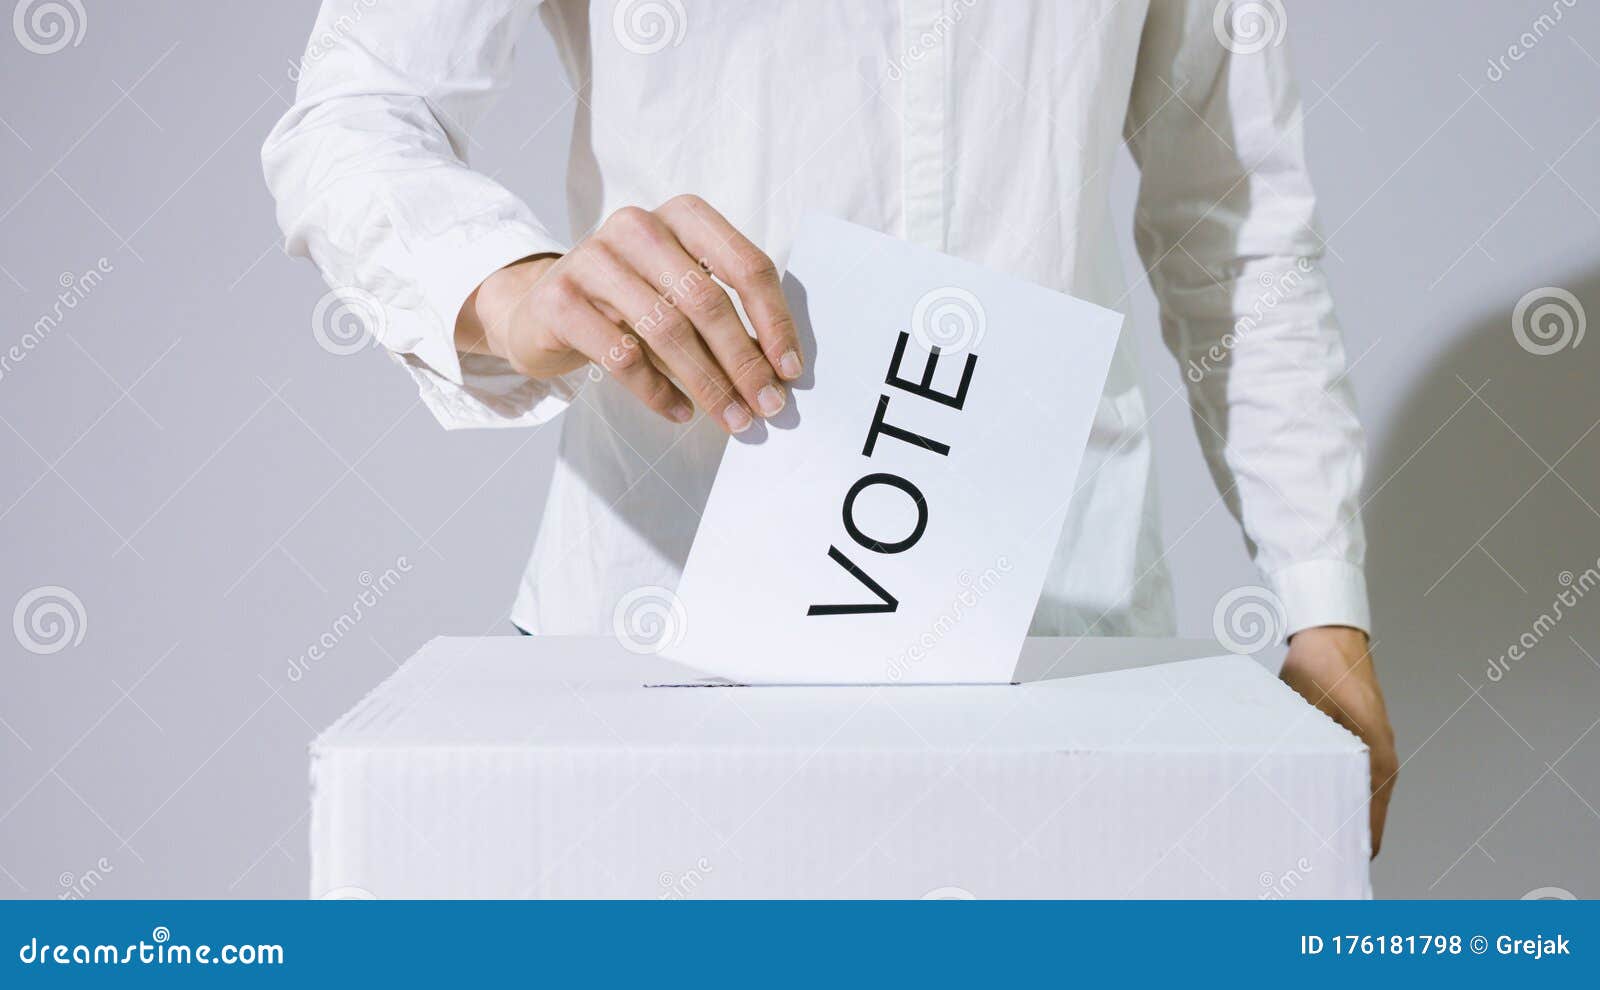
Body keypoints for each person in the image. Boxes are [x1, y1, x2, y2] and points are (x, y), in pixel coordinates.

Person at [262, 0, 1397, 854]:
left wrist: (1319, 602)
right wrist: (506, 286)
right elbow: (356, 114)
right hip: (657, 629)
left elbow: (1232, 221)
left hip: (1059, 652)